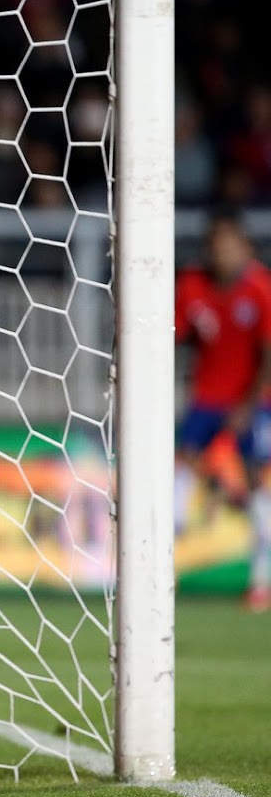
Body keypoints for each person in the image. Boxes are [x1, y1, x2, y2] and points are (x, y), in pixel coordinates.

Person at [175, 210, 271, 611]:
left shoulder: (261, 289)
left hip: (252, 402)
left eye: (229, 245)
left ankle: (261, 582)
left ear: (245, 249)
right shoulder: (192, 286)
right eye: (215, 246)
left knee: (256, 485)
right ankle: (163, 570)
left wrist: (247, 406)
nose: (222, 253)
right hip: (204, 401)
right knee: (177, 474)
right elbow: (173, 336)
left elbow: (267, 354)